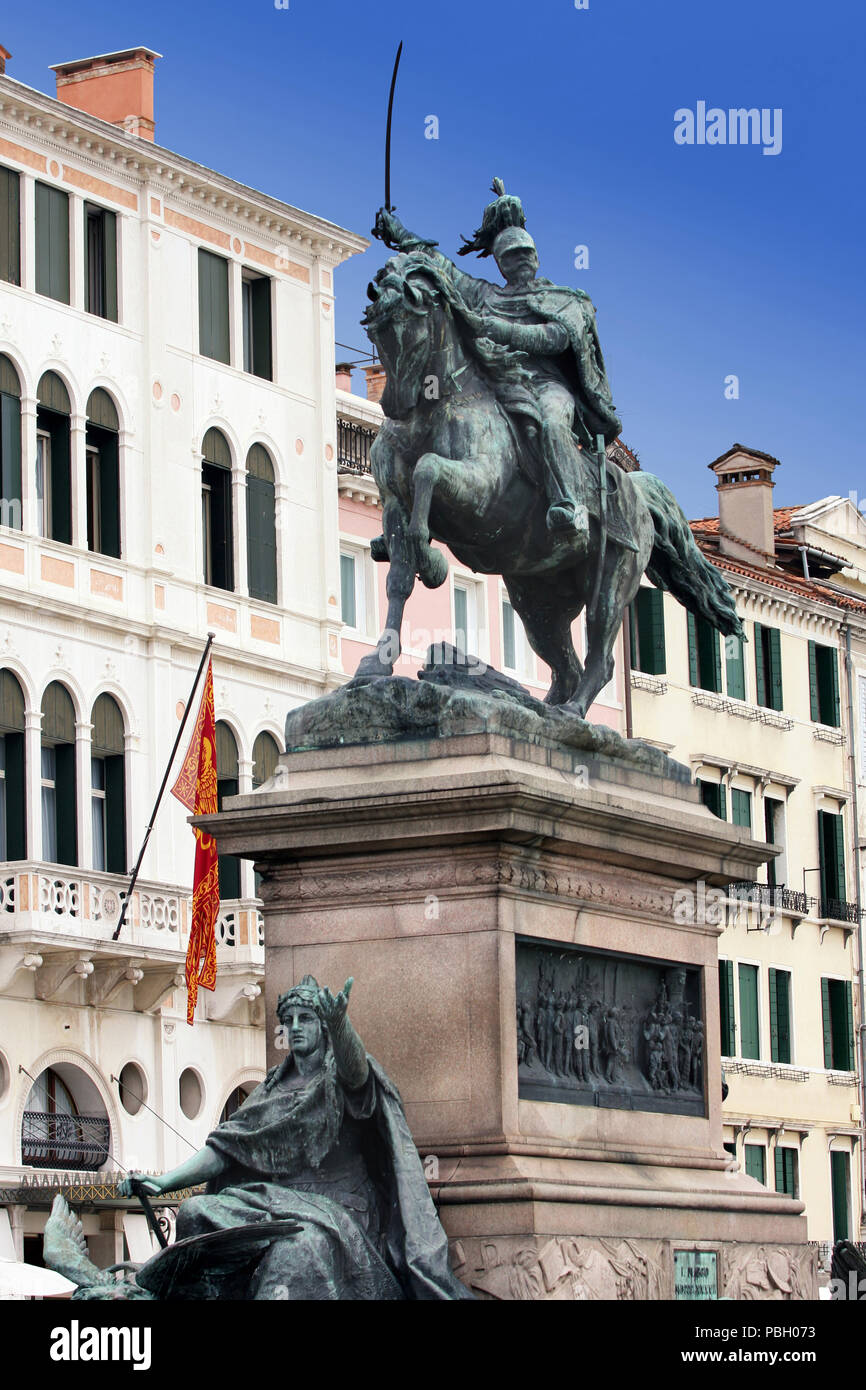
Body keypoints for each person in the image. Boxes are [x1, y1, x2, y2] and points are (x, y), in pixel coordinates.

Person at [119, 975, 472, 1301]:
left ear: (323, 1025)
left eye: (306, 1019)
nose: (295, 1028)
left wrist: (341, 1025)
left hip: (338, 1206)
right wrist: (164, 1183)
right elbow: (226, 1147)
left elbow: (357, 1076)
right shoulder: (273, 1086)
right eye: (289, 1021)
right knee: (196, 1211)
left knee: (297, 1248)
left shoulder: (339, 1077)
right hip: (274, 1201)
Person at [373, 181, 621, 536]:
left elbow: (555, 338)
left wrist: (495, 328)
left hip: (547, 384)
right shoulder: (486, 295)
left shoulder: (563, 299)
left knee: (552, 424)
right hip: (500, 379)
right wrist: (400, 233)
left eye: (524, 254)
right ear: (500, 263)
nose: (518, 261)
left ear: (535, 257)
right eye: (509, 257)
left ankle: (571, 505)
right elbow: (444, 268)